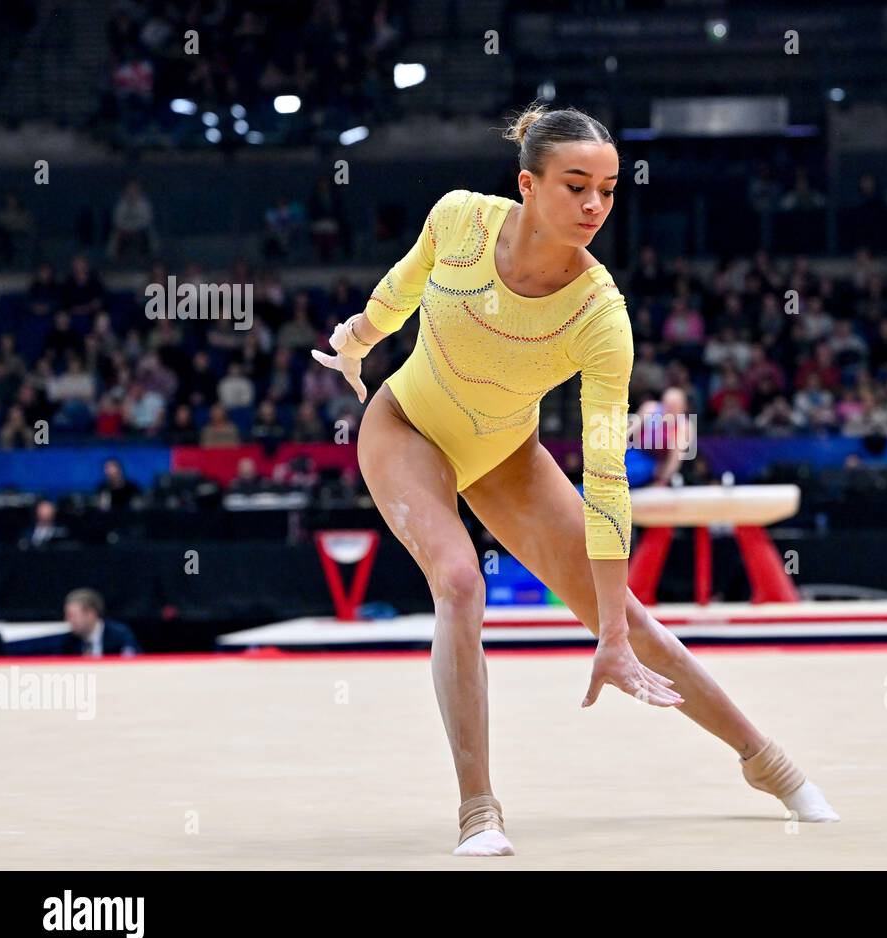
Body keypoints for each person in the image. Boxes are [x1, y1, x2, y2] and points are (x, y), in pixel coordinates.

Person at [310, 103, 838, 857]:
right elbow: (401, 286)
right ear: (528, 184)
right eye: (576, 186)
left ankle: (768, 763)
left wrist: (613, 636)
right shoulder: (460, 218)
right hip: (406, 429)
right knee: (460, 582)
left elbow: (607, 479)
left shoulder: (600, 315)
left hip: (505, 451)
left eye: (610, 190)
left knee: (631, 619)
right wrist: (357, 339)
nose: (595, 206)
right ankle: (479, 810)